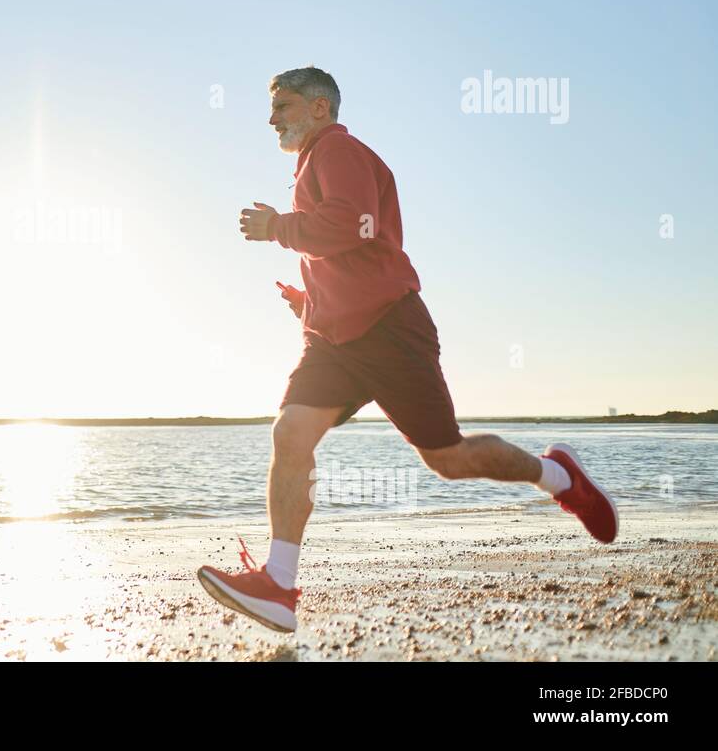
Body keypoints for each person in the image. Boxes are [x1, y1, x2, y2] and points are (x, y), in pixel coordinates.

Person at [195, 66, 617, 634]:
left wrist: (277, 228)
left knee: (447, 457)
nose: (272, 119)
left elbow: (355, 226)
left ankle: (559, 476)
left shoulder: (337, 151)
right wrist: (309, 301)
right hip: (333, 341)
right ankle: (279, 584)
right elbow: (346, 251)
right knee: (290, 433)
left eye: (285, 106)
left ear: (320, 108)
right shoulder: (311, 164)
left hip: (391, 329)